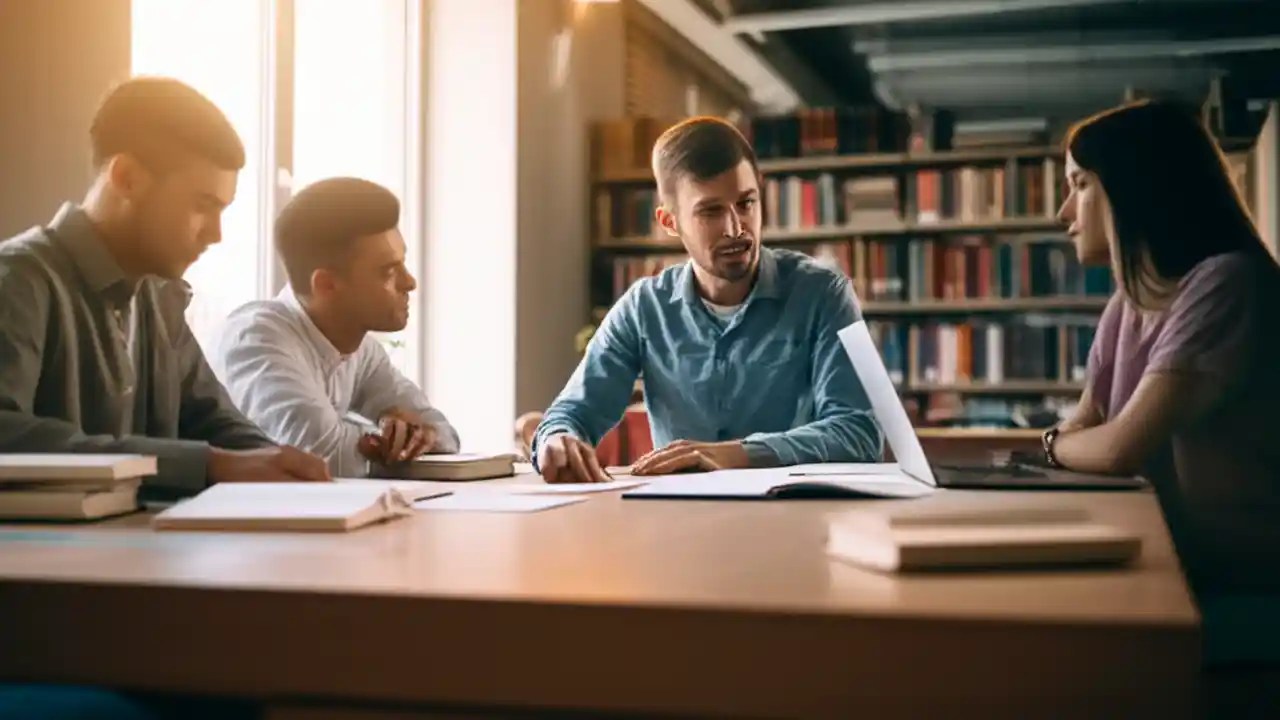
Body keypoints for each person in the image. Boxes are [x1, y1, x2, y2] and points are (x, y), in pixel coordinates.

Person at [0, 76, 330, 496]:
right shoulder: (18, 281)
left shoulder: (157, 296)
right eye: (202, 205)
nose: (215, 234)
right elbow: (4, 433)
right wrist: (209, 465)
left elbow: (216, 424)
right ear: (127, 177)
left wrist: (296, 478)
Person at [533, 116, 882, 483]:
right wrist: (558, 438)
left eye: (746, 203)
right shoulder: (644, 308)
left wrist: (738, 454)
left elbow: (860, 432)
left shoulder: (823, 293)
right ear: (670, 222)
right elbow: (572, 412)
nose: (735, 228)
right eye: (710, 211)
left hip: (793, 518)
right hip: (681, 522)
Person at [1046, 99, 1280, 597]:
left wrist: (1050, 447)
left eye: (1080, 185)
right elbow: (1086, 427)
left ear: (1134, 186)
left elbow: (1115, 447)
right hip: (1175, 565)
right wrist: (1066, 444)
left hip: (1245, 584)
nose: (1063, 212)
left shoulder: (1226, 282)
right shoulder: (1126, 305)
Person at [213, 177, 459, 477]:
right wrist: (388, 439)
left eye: (403, 264)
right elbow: (319, 455)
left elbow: (444, 434)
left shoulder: (362, 350)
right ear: (327, 285)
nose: (410, 282)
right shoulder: (254, 338)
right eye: (389, 271)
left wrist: (418, 436)